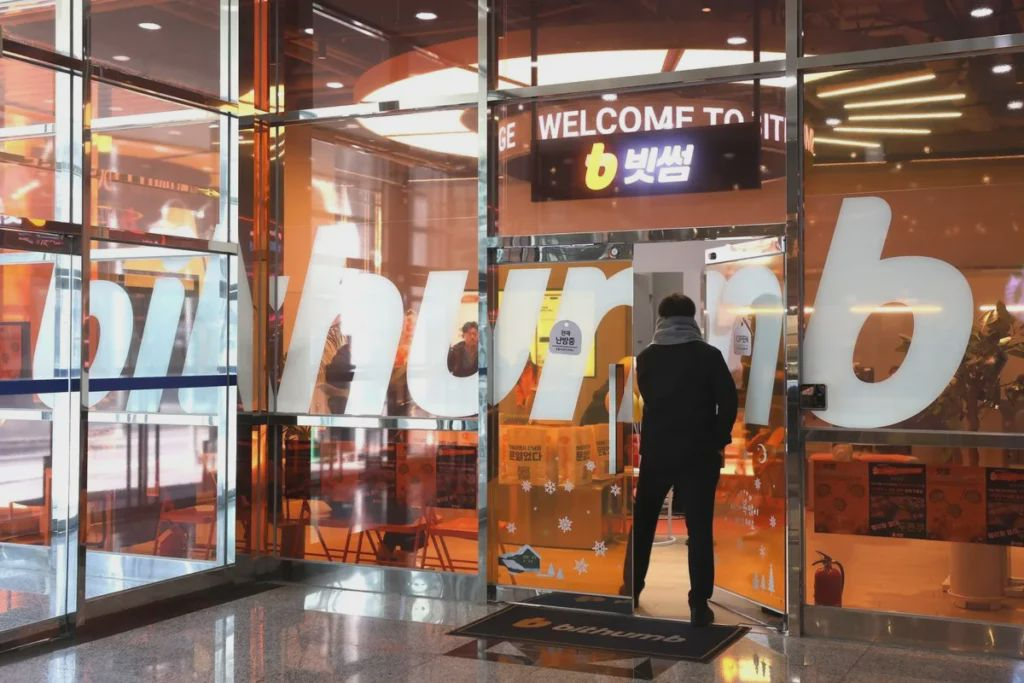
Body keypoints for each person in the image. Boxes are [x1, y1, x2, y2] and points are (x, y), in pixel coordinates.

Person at [630, 293, 738, 627]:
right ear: (692, 319)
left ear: (661, 319)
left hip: (657, 452)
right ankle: (698, 604)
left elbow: (649, 399)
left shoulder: (646, 358)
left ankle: (630, 590)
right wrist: (716, 439)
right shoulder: (708, 356)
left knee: (643, 523)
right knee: (699, 529)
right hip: (698, 454)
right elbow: (728, 401)